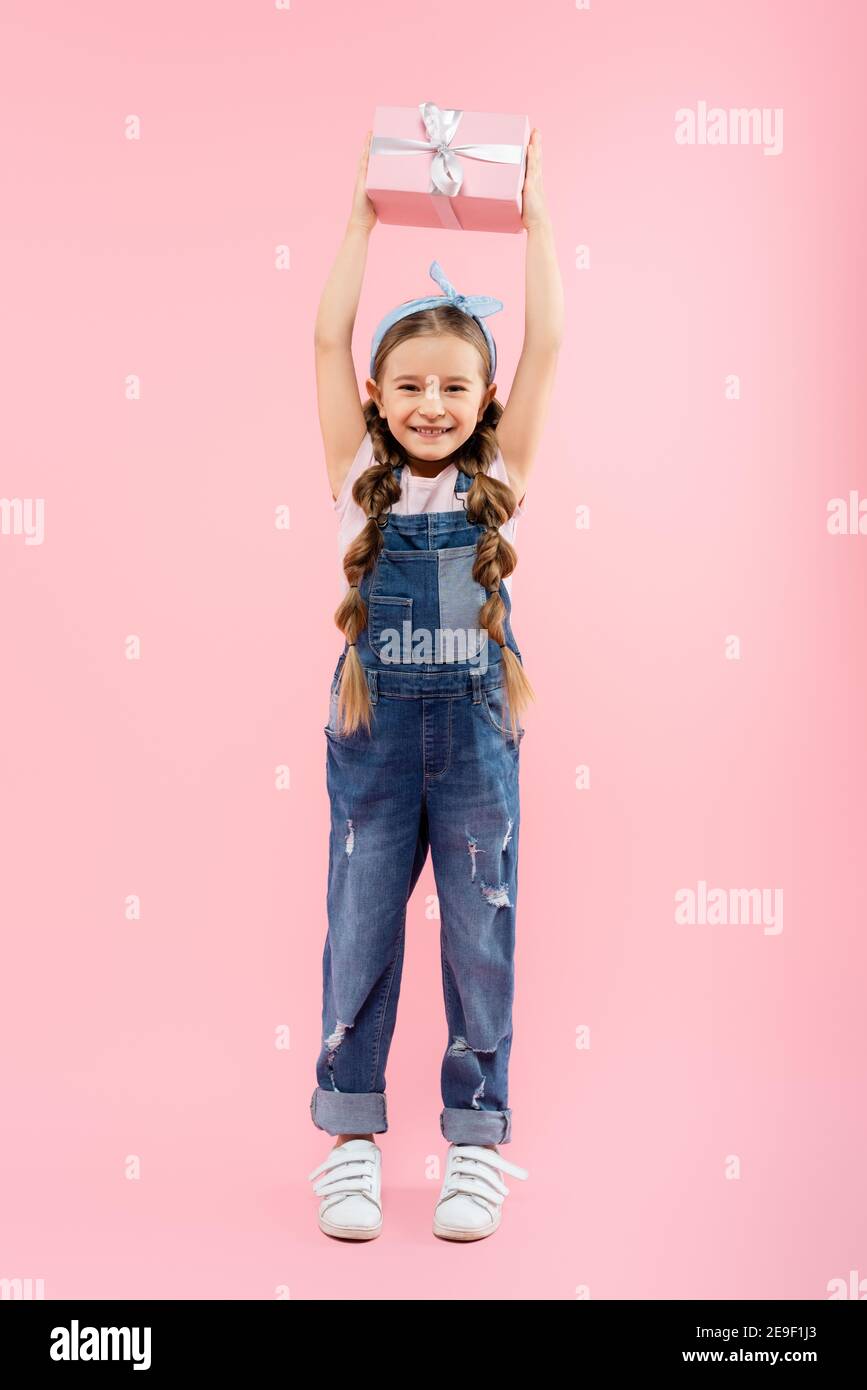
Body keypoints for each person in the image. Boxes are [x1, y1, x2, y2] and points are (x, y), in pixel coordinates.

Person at [307, 128, 563, 1241]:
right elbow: (324, 337)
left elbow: (550, 342)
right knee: (359, 931)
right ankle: (351, 1142)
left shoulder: (498, 476)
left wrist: (537, 218)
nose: (430, 403)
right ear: (375, 394)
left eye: (454, 386)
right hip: (371, 743)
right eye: (408, 385)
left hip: (474, 746)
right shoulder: (355, 475)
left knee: (479, 937)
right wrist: (360, 220)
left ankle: (475, 1143)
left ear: (485, 396)